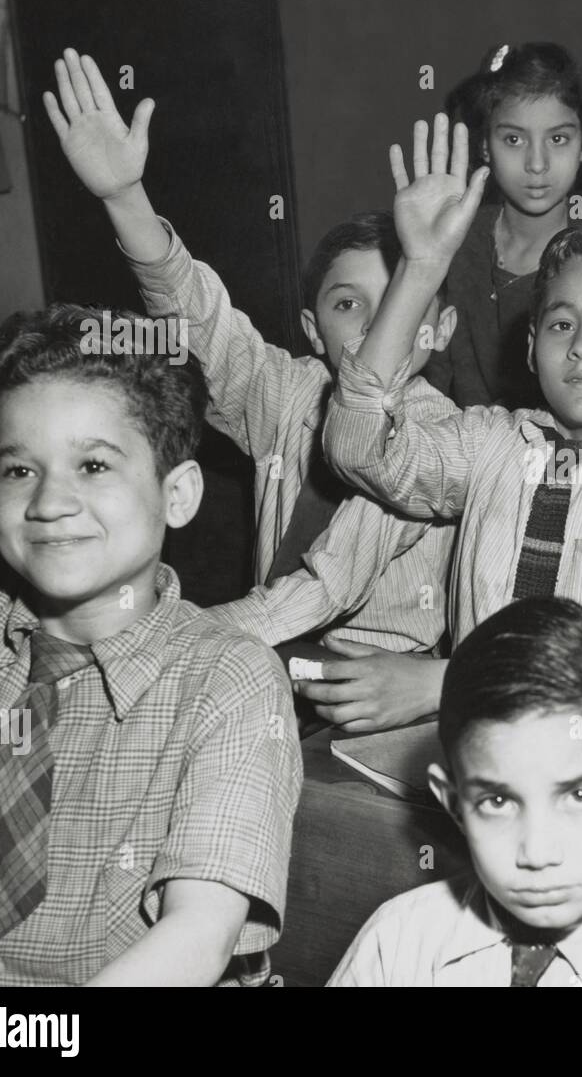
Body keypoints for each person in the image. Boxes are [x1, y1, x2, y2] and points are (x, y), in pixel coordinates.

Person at [44, 49, 457, 731]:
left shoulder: (436, 436)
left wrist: (165, 643)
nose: (376, 325)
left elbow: (323, 589)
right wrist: (125, 197)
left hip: (382, 703)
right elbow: (200, 322)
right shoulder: (292, 391)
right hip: (264, 666)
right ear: (310, 328)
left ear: (438, 328)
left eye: (400, 303)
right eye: (348, 305)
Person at [0, 304, 301, 986]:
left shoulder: (231, 680)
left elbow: (197, 938)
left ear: (179, 494)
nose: (48, 503)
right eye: (19, 470)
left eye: (94, 465)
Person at [322, 114, 582, 699]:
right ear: (532, 349)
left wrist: (445, 684)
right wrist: (421, 268)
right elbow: (357, 448)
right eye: (562, 324)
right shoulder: (492, 443)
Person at [326, 597, 582, 987]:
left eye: (580, 796)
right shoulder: (398, 944)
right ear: (455, 805)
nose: (537, 852)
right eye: (498, 801)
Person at [424, 41, 582, 411]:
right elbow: (427, 376)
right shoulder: (454, 239)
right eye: (513, 139)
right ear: (483, 145)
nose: (537, 163)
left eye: (558, 139)